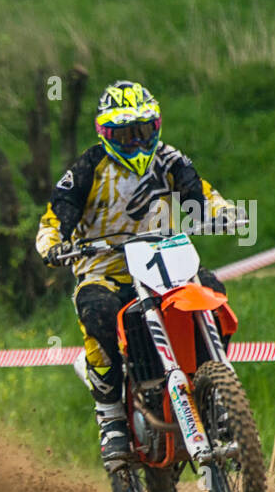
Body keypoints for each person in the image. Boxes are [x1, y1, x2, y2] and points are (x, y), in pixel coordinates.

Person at [38, 80, 234, 469]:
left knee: (212, 289)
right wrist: (52, 244)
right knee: (98, 313)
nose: (136, 141)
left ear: (156, 126)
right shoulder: (88, 167)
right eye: (125, 133)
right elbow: (55, 214)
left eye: (143, 130)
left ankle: (217, 392)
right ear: (106, 134)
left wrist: (222, 213)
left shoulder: (170, 160)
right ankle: (110, 417)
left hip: (164, 262)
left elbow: (202, 196)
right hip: (104, 269)